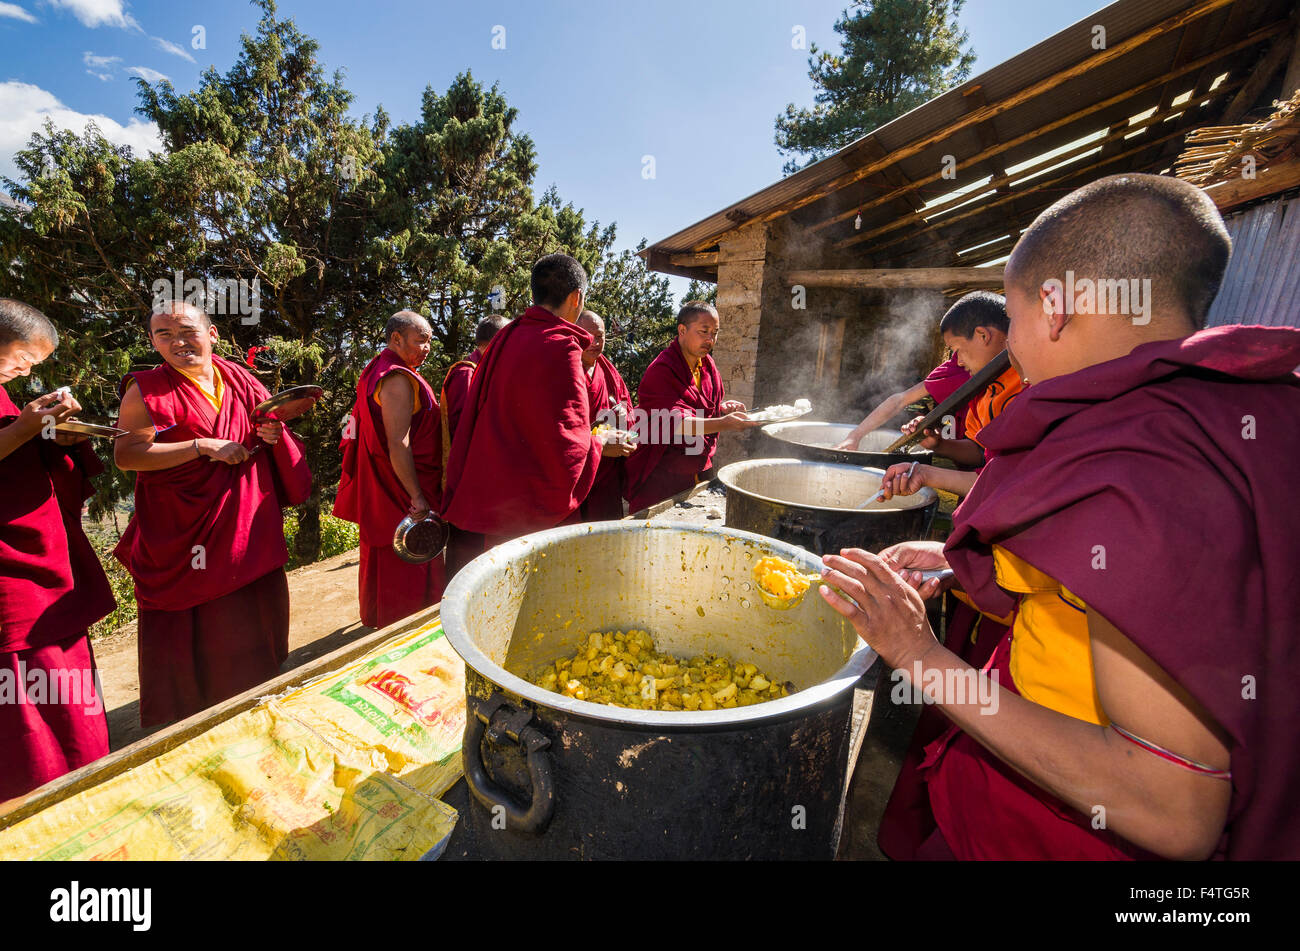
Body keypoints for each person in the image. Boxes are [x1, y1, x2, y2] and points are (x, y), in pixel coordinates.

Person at [821, 173, 1300, 860]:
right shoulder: (1242, 412)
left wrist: (921, 656)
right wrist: (963, 566)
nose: (1012, 345)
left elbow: (1174, 809)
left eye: (1012, 318)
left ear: (1054, 309)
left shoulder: (1144, 465)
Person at [114, 300, 310, 727]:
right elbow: (127, 455)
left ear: (212, 334)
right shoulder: (146, 388)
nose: (177, 342)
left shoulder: (239, 379)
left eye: (187, 330)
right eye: (163, 335)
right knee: (203, 631)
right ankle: (198, 719)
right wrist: (201, 446)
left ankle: (257, 696)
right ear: (152, 342)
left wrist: (270, 434)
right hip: (185, 531)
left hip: (244, 521)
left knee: (252, 616)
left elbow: (262, 432)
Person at [441, 254, 633, 575]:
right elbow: (566, 445)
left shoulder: (507, 335)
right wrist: (601, 443)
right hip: (533, 510)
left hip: (500, 495)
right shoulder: (562, 346)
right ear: (577, 298)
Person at [0, 300, 114, 800]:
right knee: (25, 689)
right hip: (11, 571)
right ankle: (37, 795)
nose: (27, 370)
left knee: (65, 683)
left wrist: (53, 432)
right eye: (24, 358)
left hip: (45, 557)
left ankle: (81, 780)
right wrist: (27, 427)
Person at [333, 310, 445, 630]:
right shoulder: (396, 378)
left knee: (388, 563)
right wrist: (417, 497)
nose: (426, 348)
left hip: (385, 485)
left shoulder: (375, 371)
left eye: (429, 342)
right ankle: (406, 637)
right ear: (396, 339)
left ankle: (388, 625)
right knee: (408, 572)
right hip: (401, 492)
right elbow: (398, 442)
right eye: (420, 341)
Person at [878, 292, 1022, 500]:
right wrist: (939, 444)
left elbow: (1011, 481)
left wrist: (924, 474)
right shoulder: (981, 391)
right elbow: (979, 451)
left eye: (958, 350)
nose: (960, 362)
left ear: (983, 335)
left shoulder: (1028, 382)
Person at [623, 302, 760, 513]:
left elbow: (699, 405)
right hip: (662, 473)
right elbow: (676, 423)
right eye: (704, 331)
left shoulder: (707, 365)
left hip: (697, 467)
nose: (710, 339)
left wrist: (722, 409)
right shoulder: (662, 369)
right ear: (682, 330)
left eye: (715, 333)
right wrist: (724, 423)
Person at [832, 353, 970, 451]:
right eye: (954, 350)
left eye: (959, 348)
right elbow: (899, 401)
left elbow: (979, 453)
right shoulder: (955, 368)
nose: (959, 360)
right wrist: (854, 436)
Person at [577, 309, 634, 520]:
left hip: (607, 476)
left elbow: (628, 410)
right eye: (588, 336)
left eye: (600, 336)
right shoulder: (565, 370)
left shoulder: (608, 370)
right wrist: (598, 441)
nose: (595, 342)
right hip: (576, 475)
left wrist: (627, 433)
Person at [441, 314, 509, 452]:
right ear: (499, 340)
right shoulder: (467, 373)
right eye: (511, 339)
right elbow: (462, 427)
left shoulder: (486, 370)